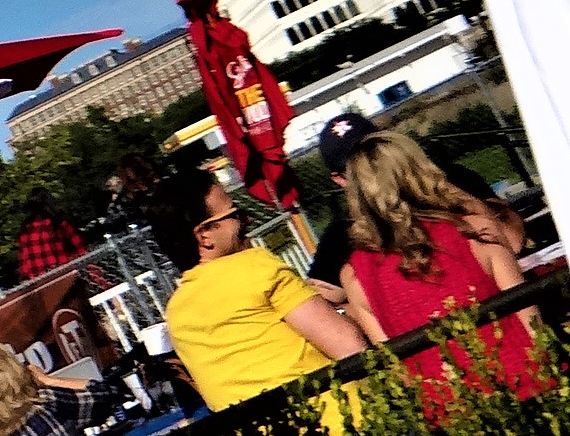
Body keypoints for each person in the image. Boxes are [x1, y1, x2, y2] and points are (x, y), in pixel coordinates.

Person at [334, 131, 544, 409]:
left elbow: (399, 369)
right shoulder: (475, 231)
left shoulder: (355, 275)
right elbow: (532, 323)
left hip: (449, 410)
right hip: (527, 385)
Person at [154, 171, 368, 410]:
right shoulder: (254, 268)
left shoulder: (176, 313)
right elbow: (350, 346)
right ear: (204, 235)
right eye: (235, 214)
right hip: (339, 419)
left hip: (263, 433)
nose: (249, 219)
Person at [304, 112, 524, 309]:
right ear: (340, 179)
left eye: (375, 156)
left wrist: (445, 192)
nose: (374, 170)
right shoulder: (343, 232)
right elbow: (323, 298)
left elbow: (513, 239)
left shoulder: (450, 180)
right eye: (358, 168)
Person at [14, 190, 87, 281]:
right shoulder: (58, 223)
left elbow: (23, 266)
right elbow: (81, 250)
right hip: (63, 275)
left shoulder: (24, 231)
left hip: (38, 282)